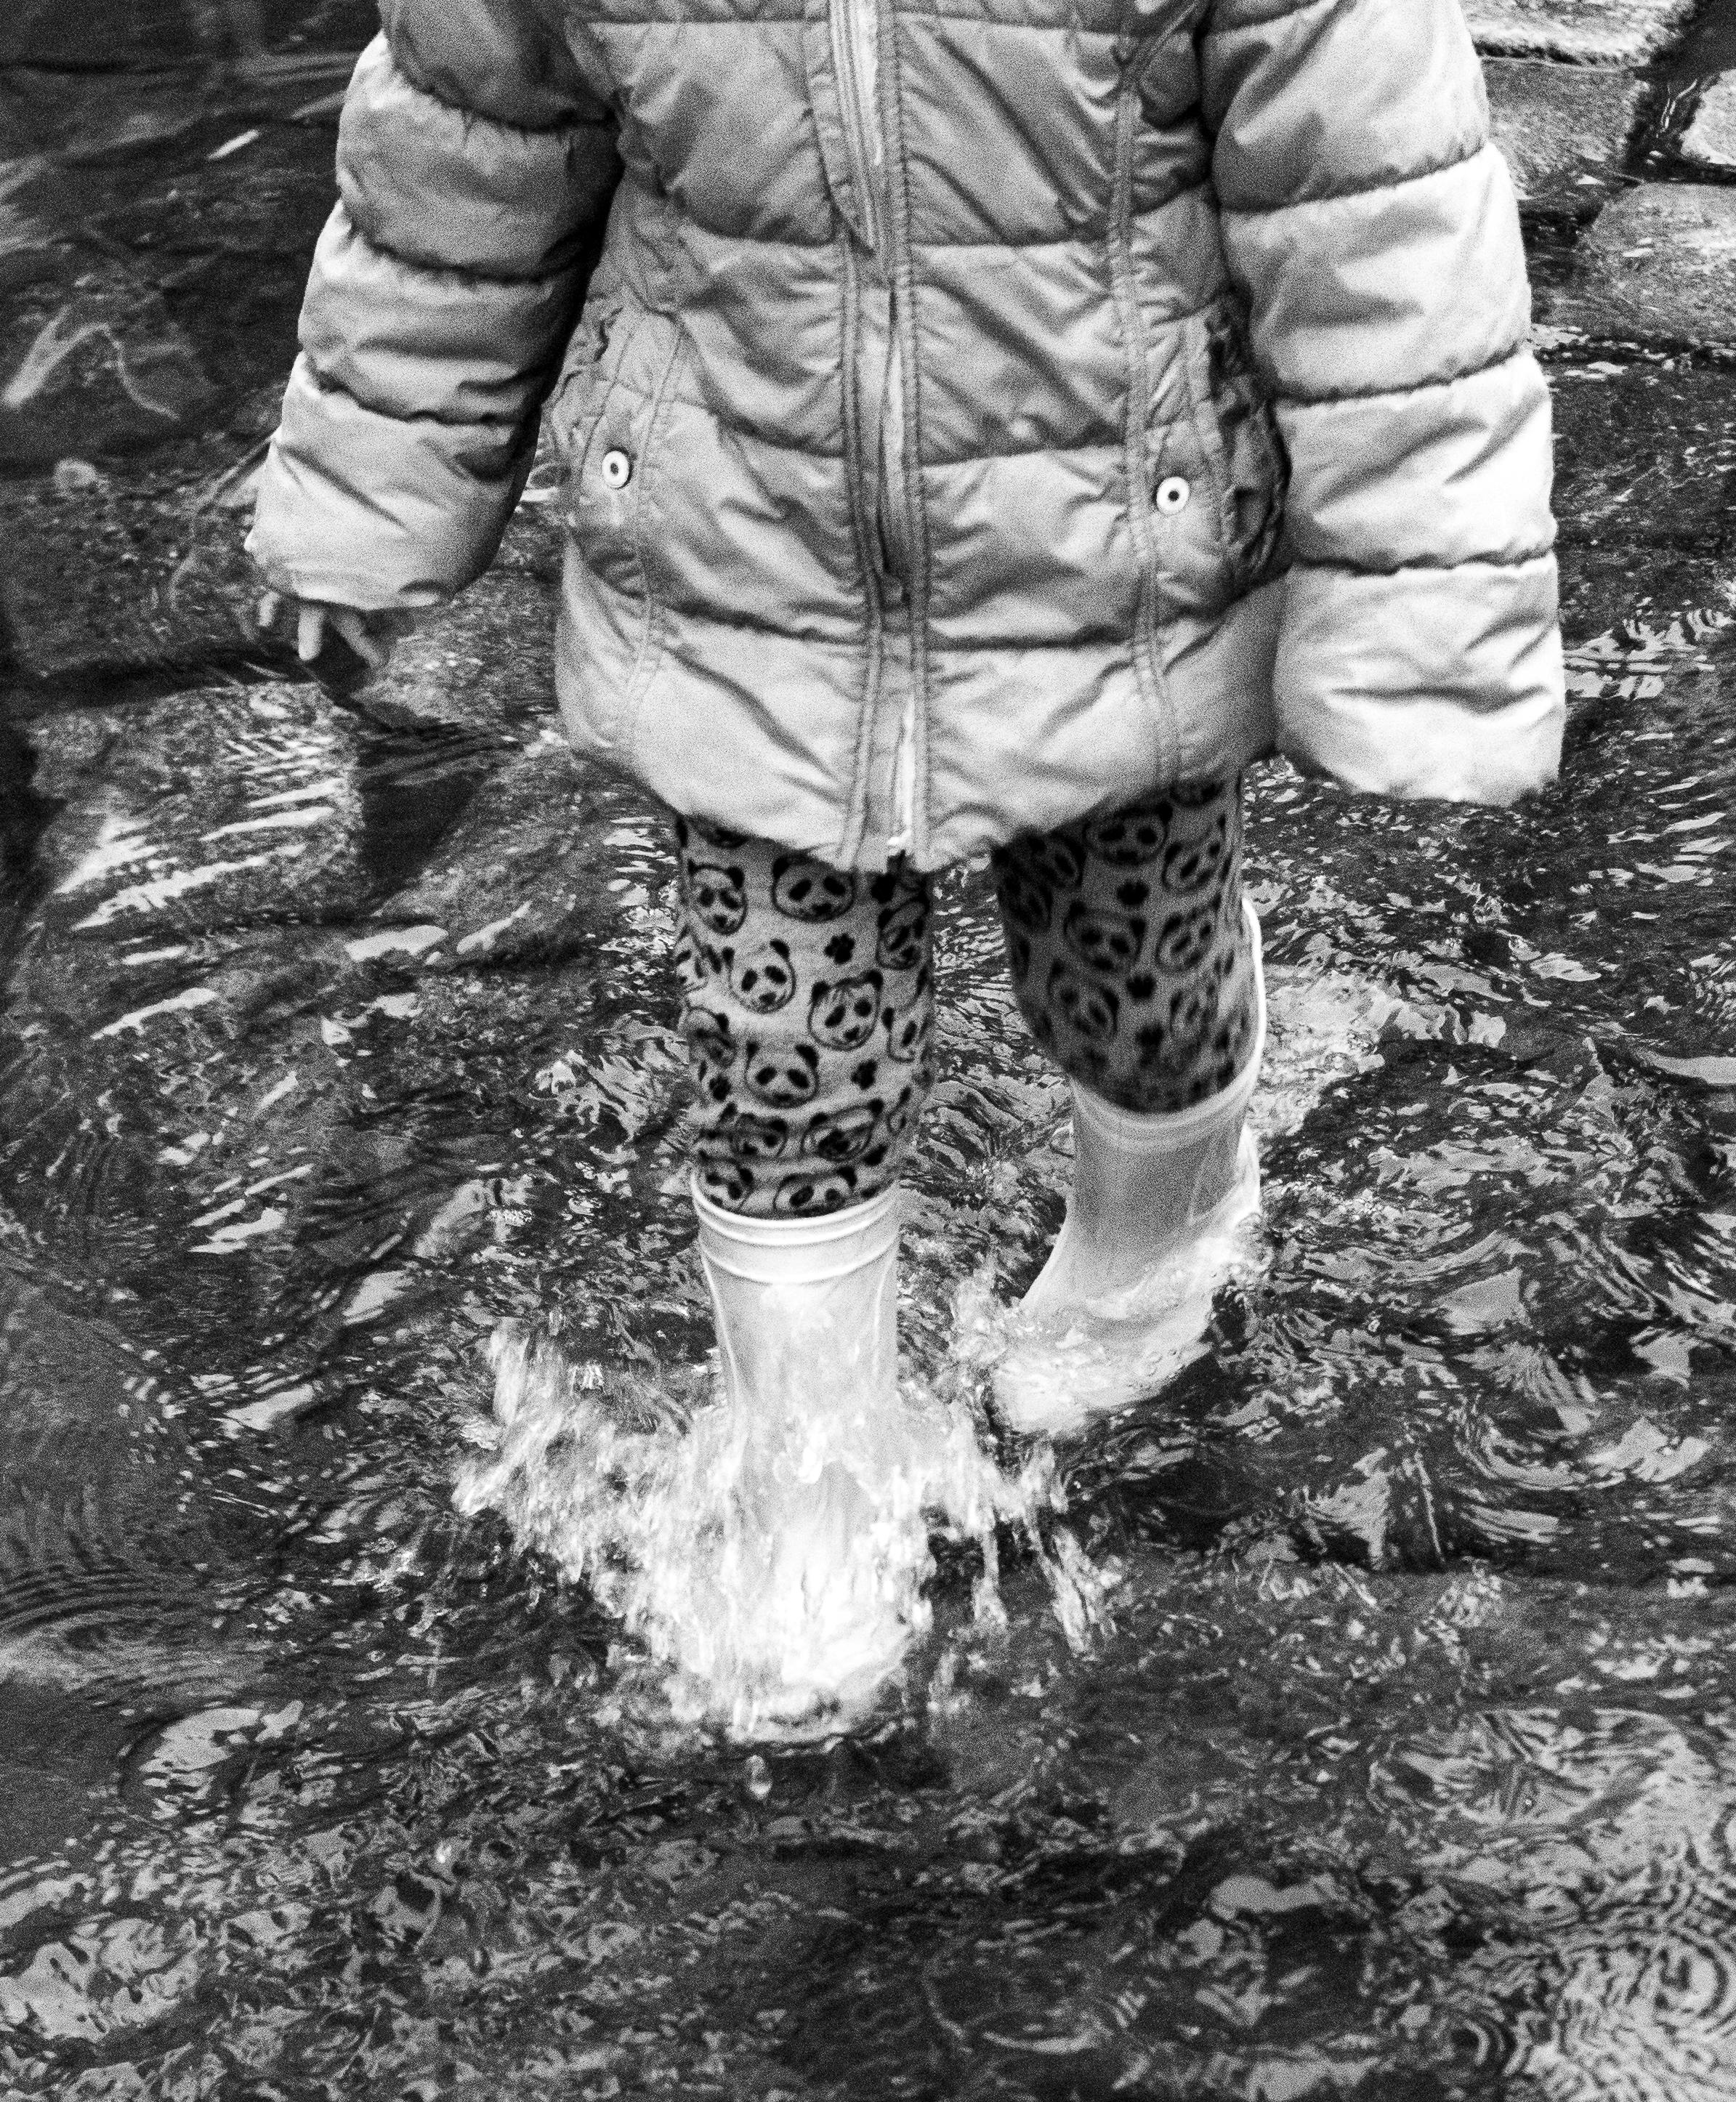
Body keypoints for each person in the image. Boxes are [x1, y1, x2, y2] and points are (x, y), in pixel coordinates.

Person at [253, 0, 1560, 1509]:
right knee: (783, 1038)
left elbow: (1379, 213)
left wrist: (1429, 609)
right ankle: (808, 1483)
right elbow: (466, 162)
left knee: (1136, 977)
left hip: (1119, 555)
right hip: (753, 554)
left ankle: (1154, 1247)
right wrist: (366, 492)